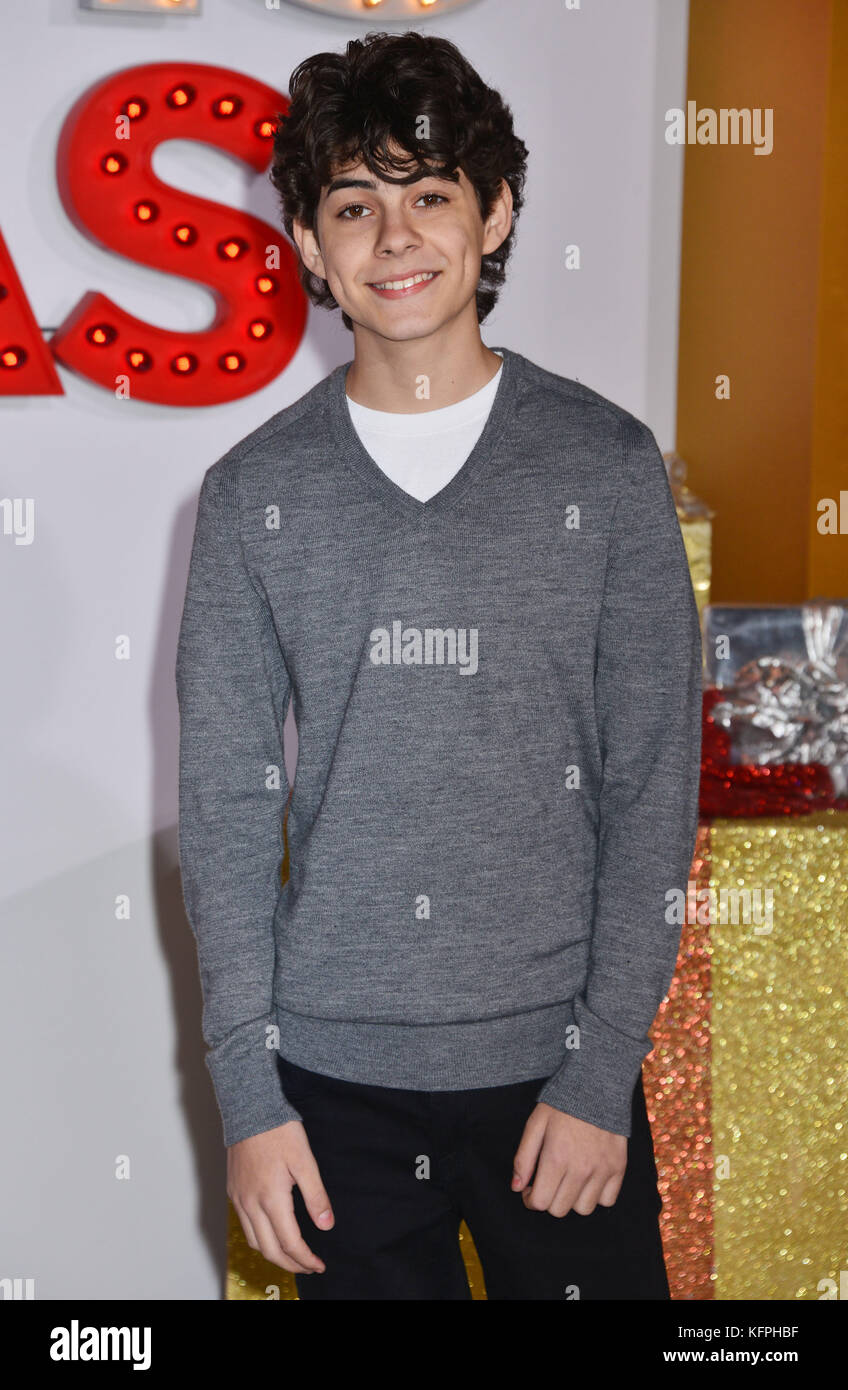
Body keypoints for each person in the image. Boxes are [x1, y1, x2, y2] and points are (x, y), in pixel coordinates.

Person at [175, 29, 703, 1301]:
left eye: (429, 195)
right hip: (330, 1096)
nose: (394, 237)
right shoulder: (252, 496)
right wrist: (250, 1101)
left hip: (559, 1082)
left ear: (496, 212)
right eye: (353, 205)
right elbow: (225, 816)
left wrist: (594, 1074)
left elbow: (651, 791)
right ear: (307, 241)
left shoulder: (605, 466)